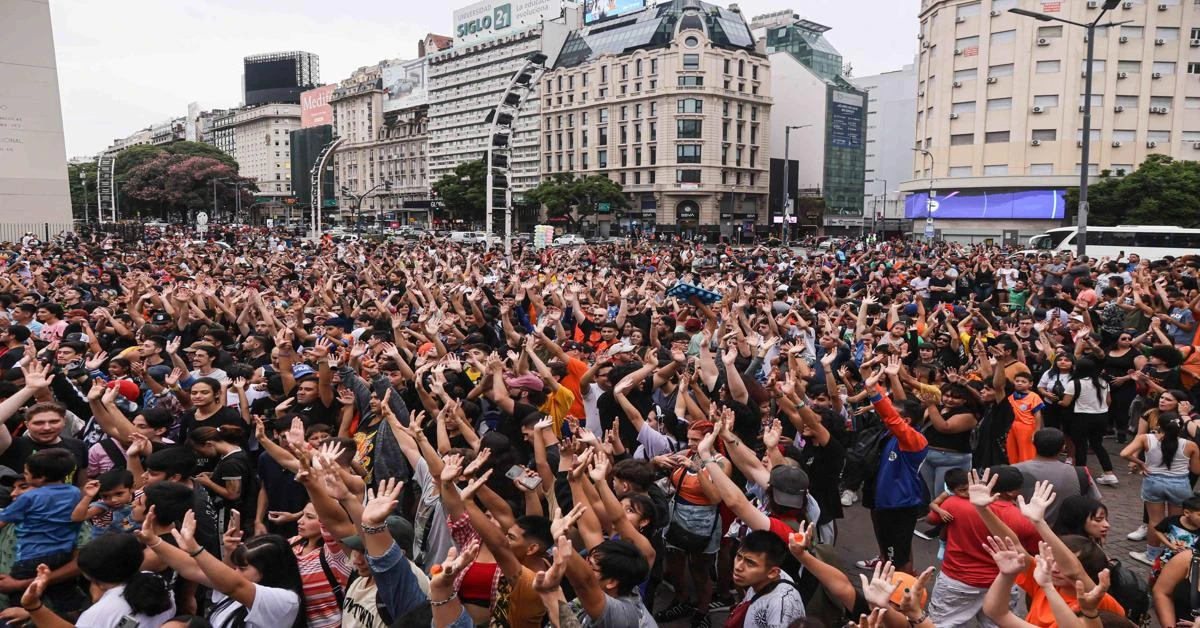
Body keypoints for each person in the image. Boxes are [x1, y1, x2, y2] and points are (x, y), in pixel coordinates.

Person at [1121, 412, 1200, 566]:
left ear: (1158, 425)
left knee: (1155, 520)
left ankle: (1151, 555)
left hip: (1153, 482)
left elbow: (1124, 453)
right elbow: (1196, 470)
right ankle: (1175, 554)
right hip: (1179, 484)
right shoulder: (1190, 445)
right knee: (1176, 521)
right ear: (1181, 428)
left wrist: (1141, 464)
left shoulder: (1145, 439)